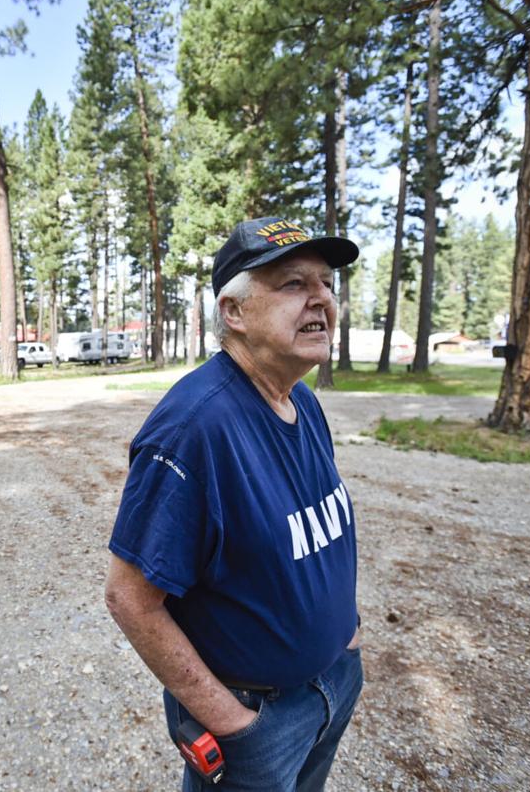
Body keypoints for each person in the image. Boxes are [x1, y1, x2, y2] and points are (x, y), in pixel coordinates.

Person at [105, 217, 364, 791]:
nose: (321, 297)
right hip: (257, 720)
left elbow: (323, 530)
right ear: (234, 312)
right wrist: (236, 725)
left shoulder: (303, 402)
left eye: (325, 282)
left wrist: (346, 643)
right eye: (294, 284)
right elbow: (129, 597)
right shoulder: (193, 429)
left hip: (333, 684)